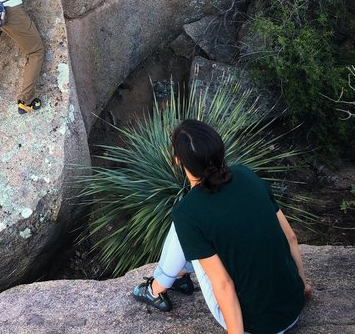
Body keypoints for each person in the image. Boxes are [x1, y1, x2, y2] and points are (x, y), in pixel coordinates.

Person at [132, 119, 311, 334]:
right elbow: (290, 237)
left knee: (185, 221)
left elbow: (224, 284)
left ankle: (156, 289)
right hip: (293, 307)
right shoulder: (245, 174)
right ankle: (177, 277)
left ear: (178, 160)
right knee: (189, 218)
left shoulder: (188, 211)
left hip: (255, 326)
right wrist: (303, 285)